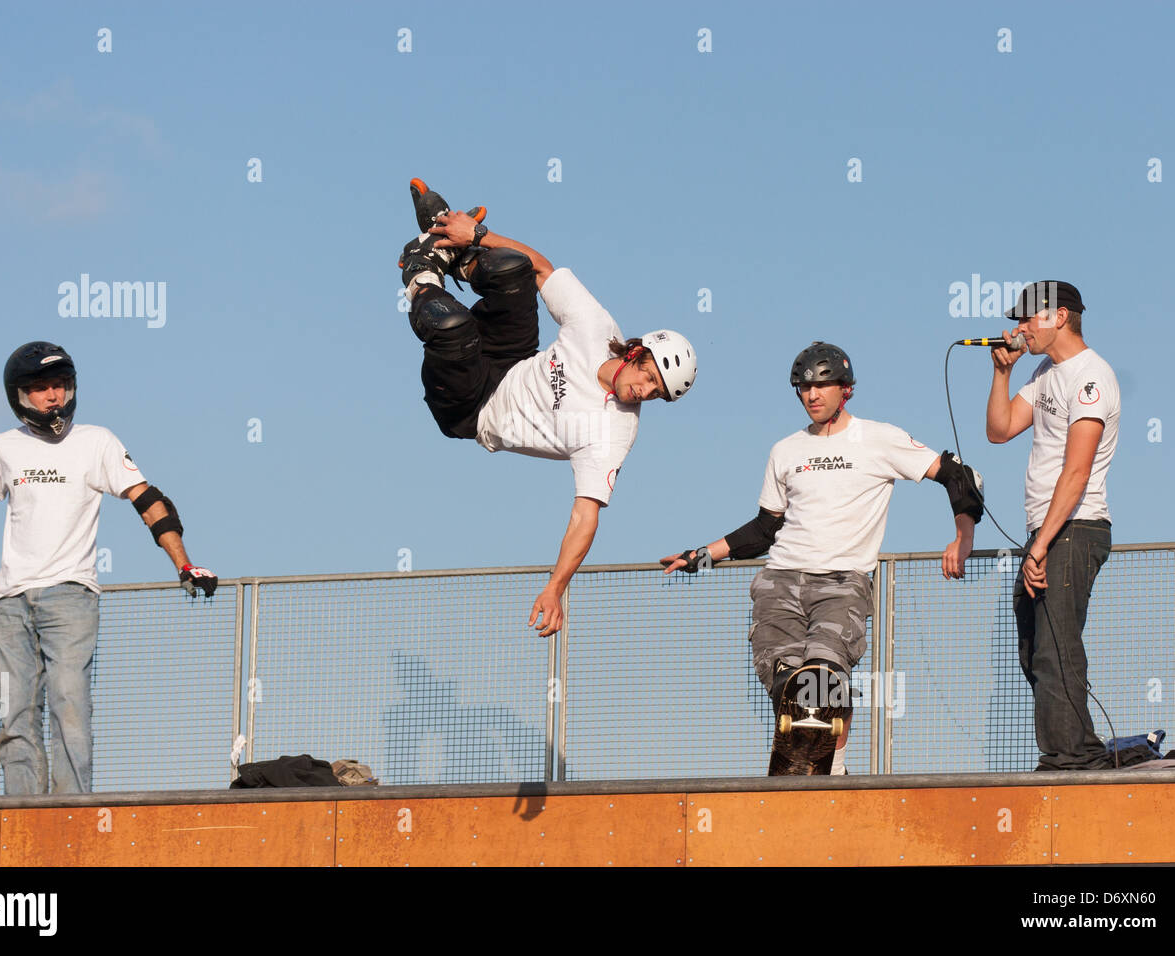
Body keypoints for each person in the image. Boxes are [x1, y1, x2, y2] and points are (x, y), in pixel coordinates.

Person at [661, 342, 982, 773]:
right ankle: (805, 765)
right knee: (789, 684)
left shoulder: (878, 438)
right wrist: (701, 556)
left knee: (824, 679)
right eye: (804, 388)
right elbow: (764, 529)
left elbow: (958, 475)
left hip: (840, 584)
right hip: (779, 582)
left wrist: (962, 537)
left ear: (845, 389)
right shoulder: (785, 450)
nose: (812, 395)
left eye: (822, 385)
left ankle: (835, 767)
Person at [399, 179, 697, 637]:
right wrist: (479, 236)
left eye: (657, 394)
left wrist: (556, 586)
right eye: (650, 379)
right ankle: (453, 243)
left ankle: (421, 270)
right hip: (511, 357)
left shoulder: (613, 432)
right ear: (636, 353)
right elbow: (542, 268)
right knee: (511, 267)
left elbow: (586, 515)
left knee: (454, 325)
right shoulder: (598, 327)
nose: (646, 392)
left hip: (472, 407)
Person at [0, 341, 217, 794]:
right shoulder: (3, 448)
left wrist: (184, 563)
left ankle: (70, 812)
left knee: (70, 703)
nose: (53, 397)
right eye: (41, 388)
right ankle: (23, 813)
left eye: (60, 386)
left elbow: (148, 500)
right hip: (10, 600)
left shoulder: (96, 441)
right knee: (17, 711)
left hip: (70, 596)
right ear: (20, 397)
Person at [986, 281, 1119, 771]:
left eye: (1028, 319)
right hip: (1045, 532)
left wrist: (1041, 546)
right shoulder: (1045, 372)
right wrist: (1002, 374)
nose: (1019, 329)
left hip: (1074, 528)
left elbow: (1077, 471)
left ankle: (1069, 760)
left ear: (1060, 316)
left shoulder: (1092, 377)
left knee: (1056, 645)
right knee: (1035, 650)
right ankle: (1077, 749)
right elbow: (999, 431)